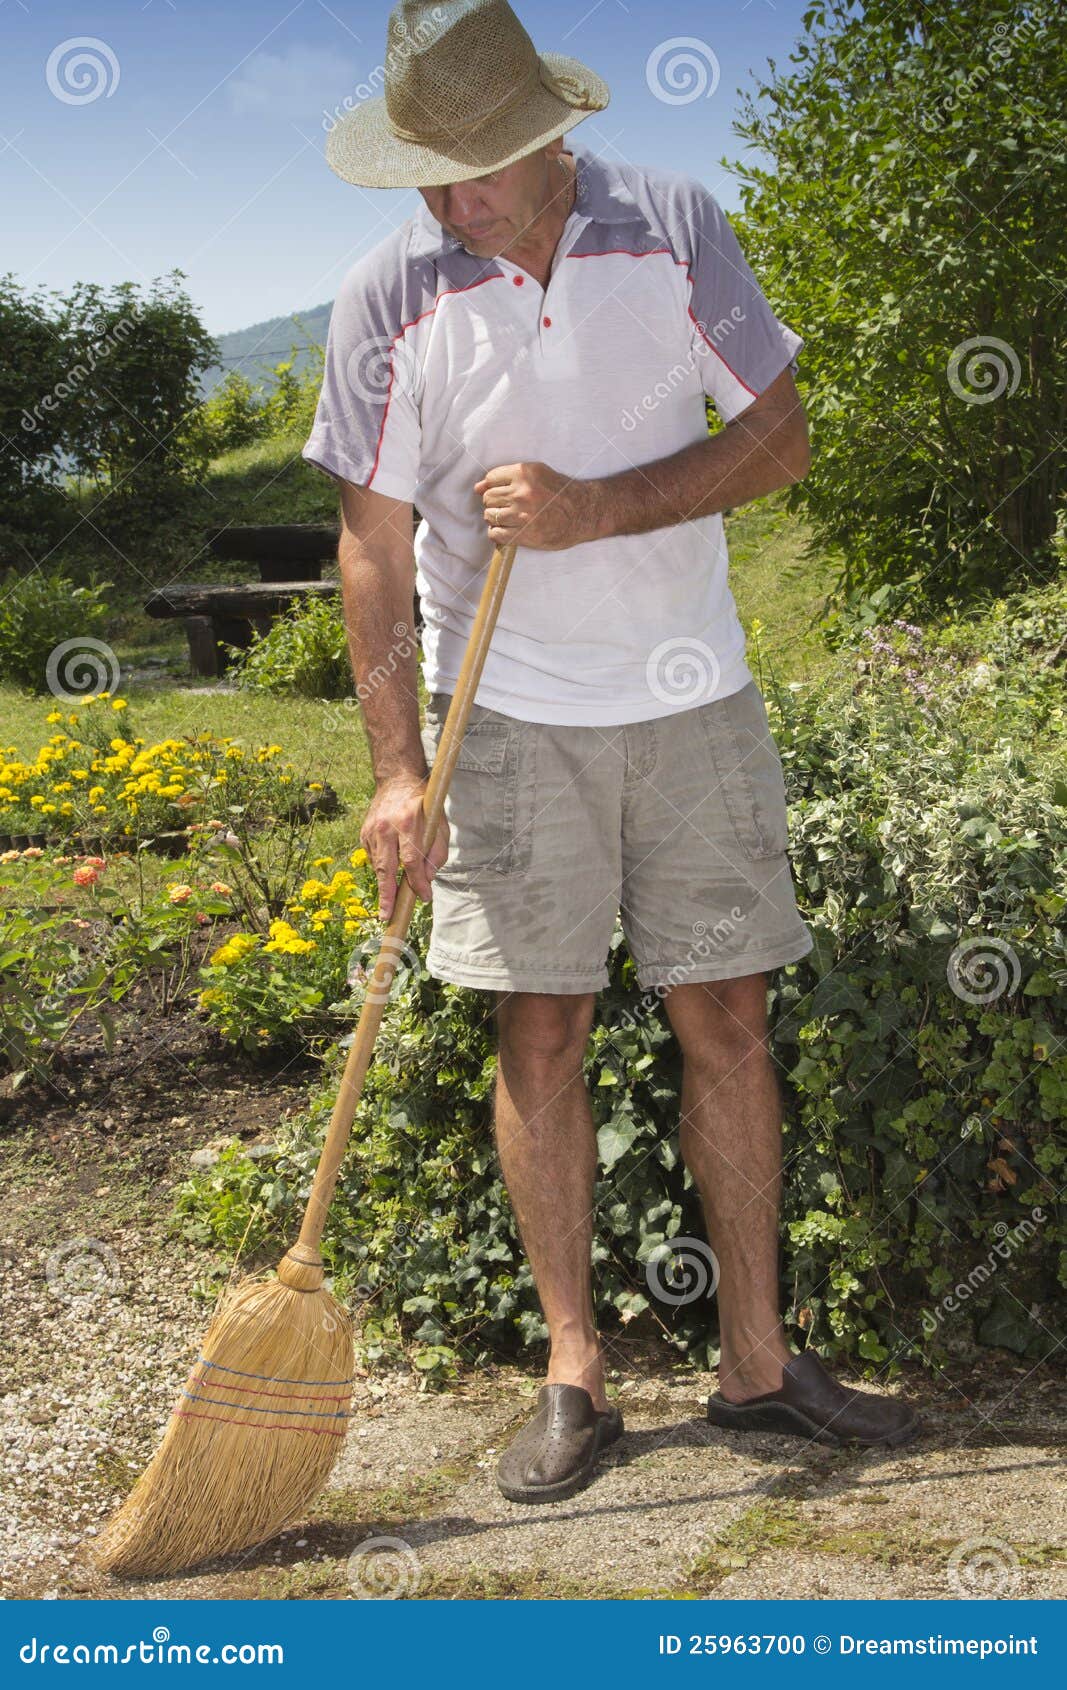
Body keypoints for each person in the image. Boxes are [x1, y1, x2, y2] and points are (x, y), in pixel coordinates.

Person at [303, 0, 920, 1504]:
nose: (450, 204)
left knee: (729, 1015)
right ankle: (575, 1371)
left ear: (548, 135)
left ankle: (758, 1366)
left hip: (692, 693)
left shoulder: (674, 225)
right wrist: (397, 770)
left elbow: (779, 438)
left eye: (474, 171)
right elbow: (371, 544)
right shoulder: (389, 292)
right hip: (506, 715)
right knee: (543, 1031)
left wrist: (598, 509)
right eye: (426, 175)